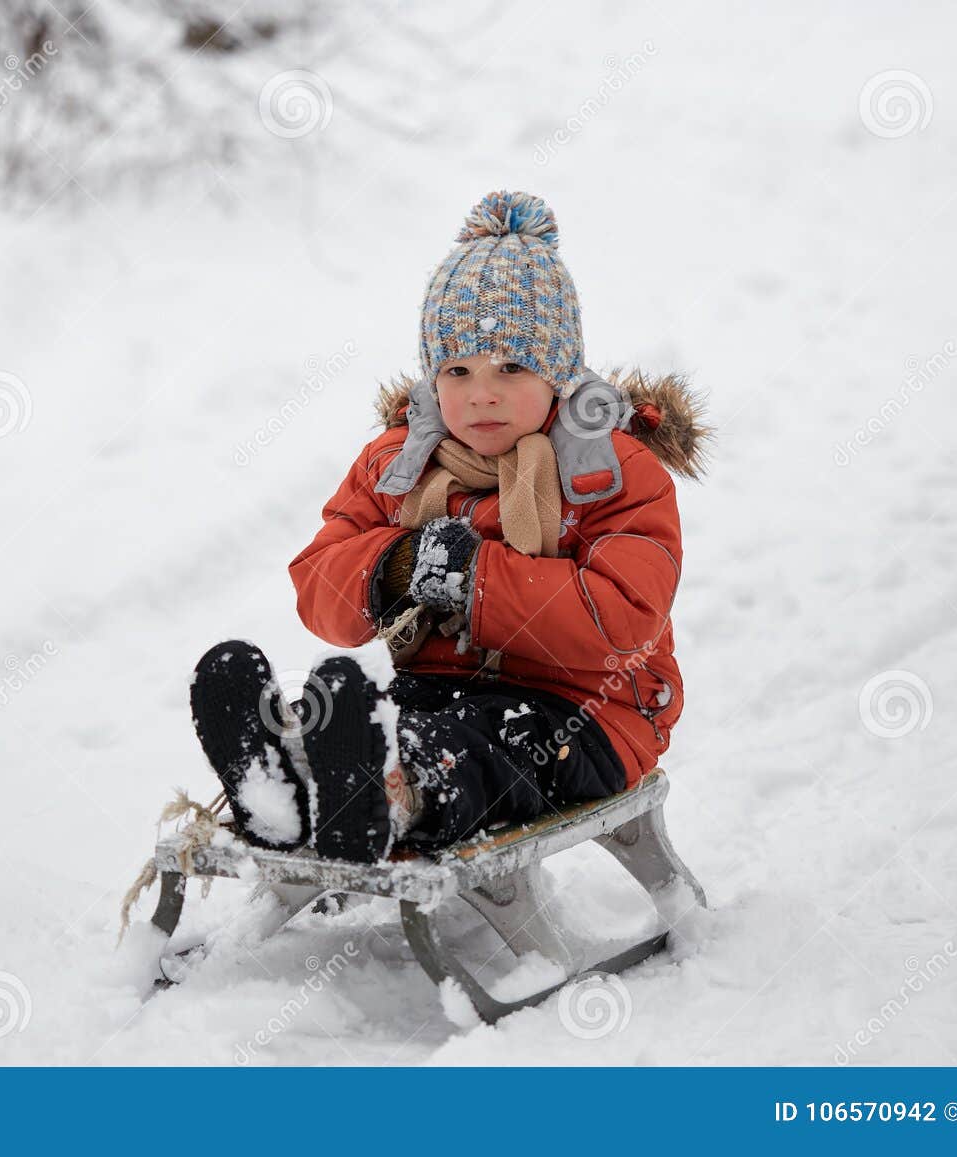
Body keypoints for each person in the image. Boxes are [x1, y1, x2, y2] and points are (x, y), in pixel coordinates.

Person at [190, 190, 710, 863]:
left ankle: (397, 796)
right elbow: (316, 583)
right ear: (432, 378)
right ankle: (289, 782)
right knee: (385, 714)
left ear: (558, 374)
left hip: (583, 711)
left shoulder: (613, 469)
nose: (481, 393)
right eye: (457, 371)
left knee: (483, 745)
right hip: (434, 692)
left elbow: (623, 618)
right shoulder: (399, 461)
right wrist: (395, 565)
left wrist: (476, 577)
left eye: (512, 368)